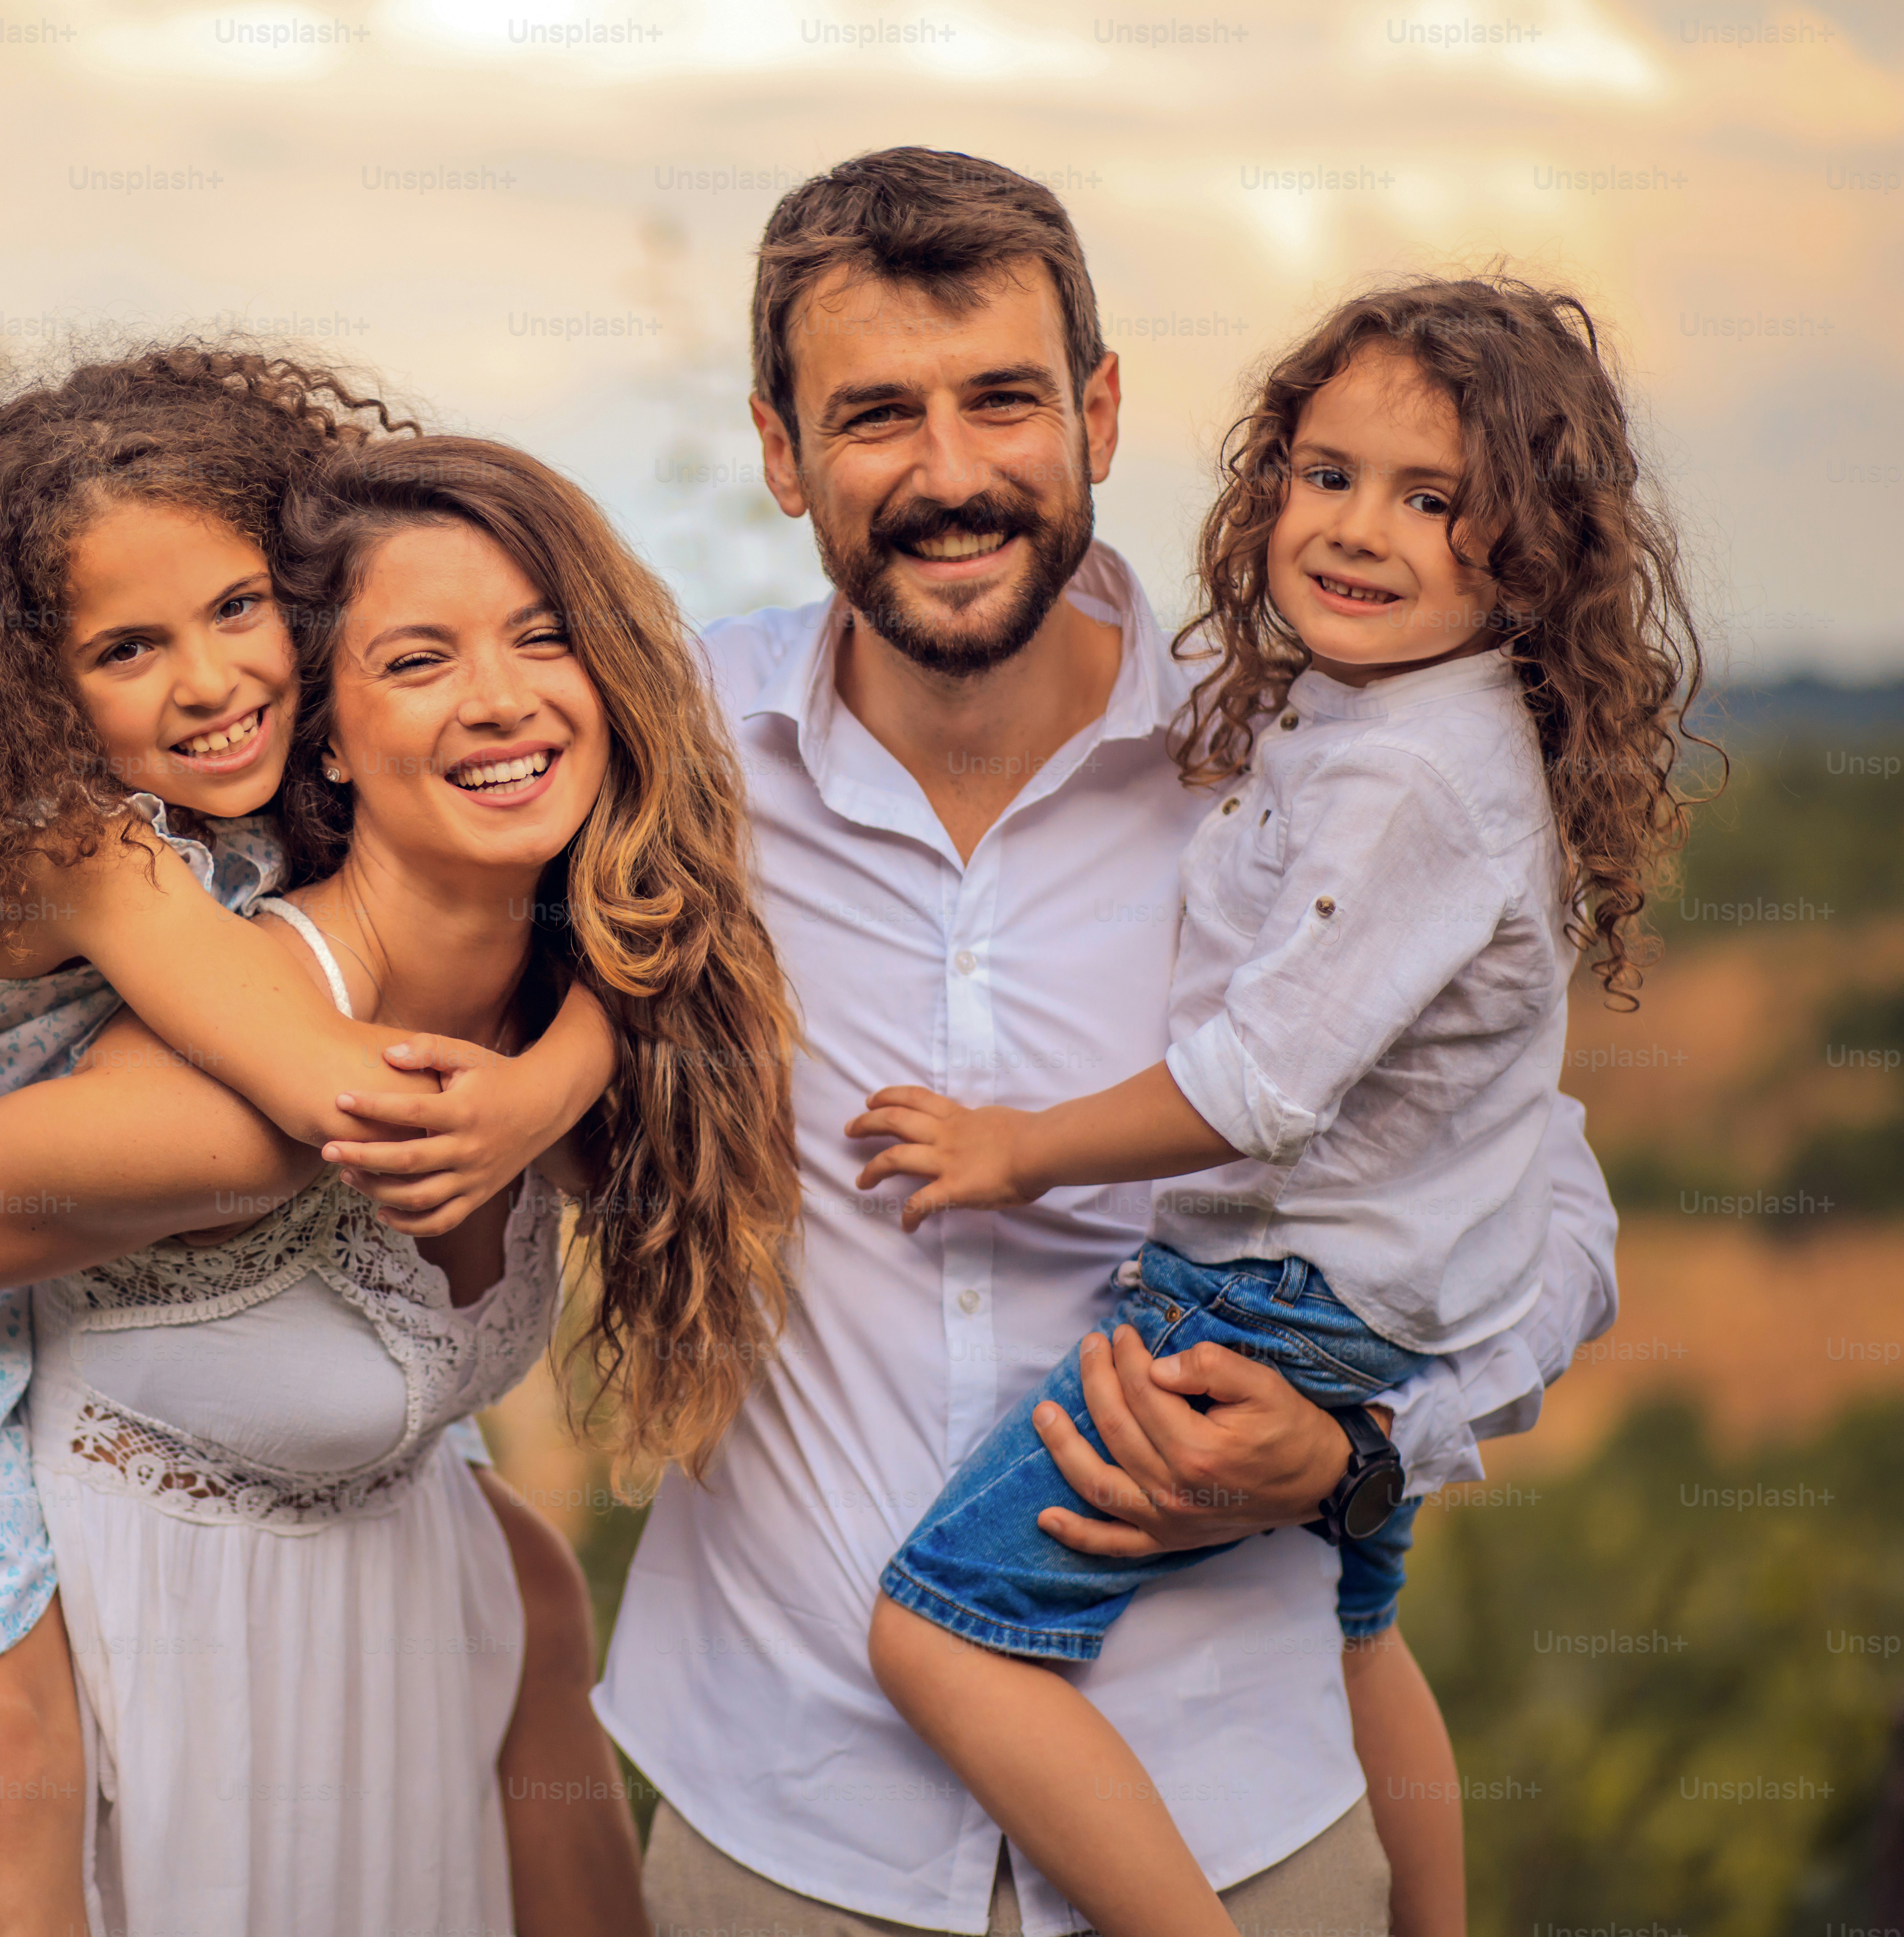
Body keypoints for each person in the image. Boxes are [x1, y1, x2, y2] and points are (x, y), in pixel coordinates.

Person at [592, 148, 1621, 1936]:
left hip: (1241, 1816)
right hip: (784, 1828)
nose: (949, 471)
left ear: (1100, 409)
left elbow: (1546, 1204)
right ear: (777, 453)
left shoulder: (1306, 769)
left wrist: (1361, 1454)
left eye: (1002, 399)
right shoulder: (664, 763)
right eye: (873, 416)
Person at [0, 433, 801, 1936]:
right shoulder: (223, 1070)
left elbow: (671, 959)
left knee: (526, 1575)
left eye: (540, 637)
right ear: (329, 735)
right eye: (417, 659)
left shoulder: (559, 1003)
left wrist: (556, 1073)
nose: (502, 695)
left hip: (380, 1647)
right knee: (3, 1767)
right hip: (158, 1684)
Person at [859, 274, 1707, 1937]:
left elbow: (1254, 1086)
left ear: (1529, 549)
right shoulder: (1386, 717)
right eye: (1325, 477)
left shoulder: (1406, 772)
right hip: (1385, 1304)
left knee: (936, 1627)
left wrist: (1011, 1149)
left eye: (1432, 499)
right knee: (1354, 1627)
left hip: (1268, 1296)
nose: (1357, 530)